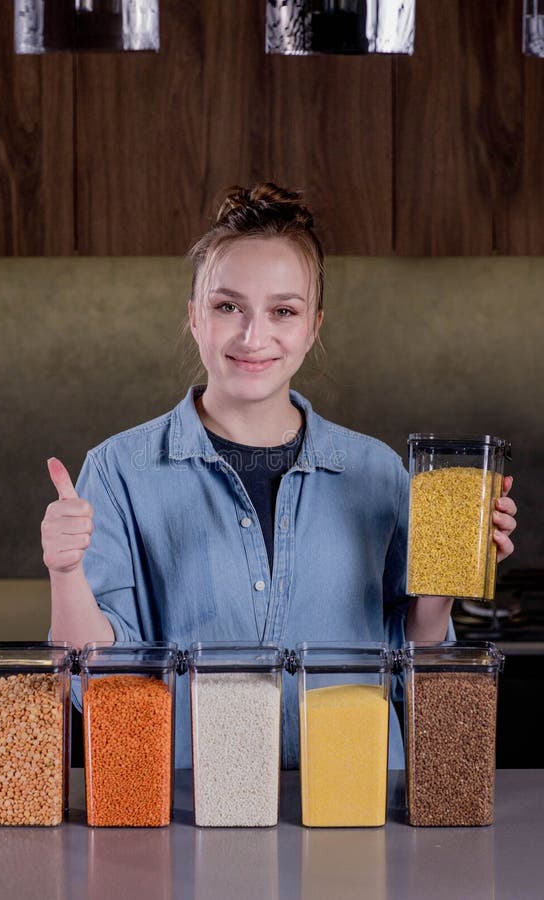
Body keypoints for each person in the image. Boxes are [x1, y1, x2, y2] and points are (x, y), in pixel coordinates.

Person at [42, 183, 517, 769]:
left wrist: (444, 579)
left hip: (357, 803)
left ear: (313, 326)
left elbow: (411, 670)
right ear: (195, 317)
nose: (253, 336)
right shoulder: (119, 472)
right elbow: (102, 686)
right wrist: (64, 573)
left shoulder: (378, 472)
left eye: (283, 311)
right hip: (198, 811)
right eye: (227, 306)